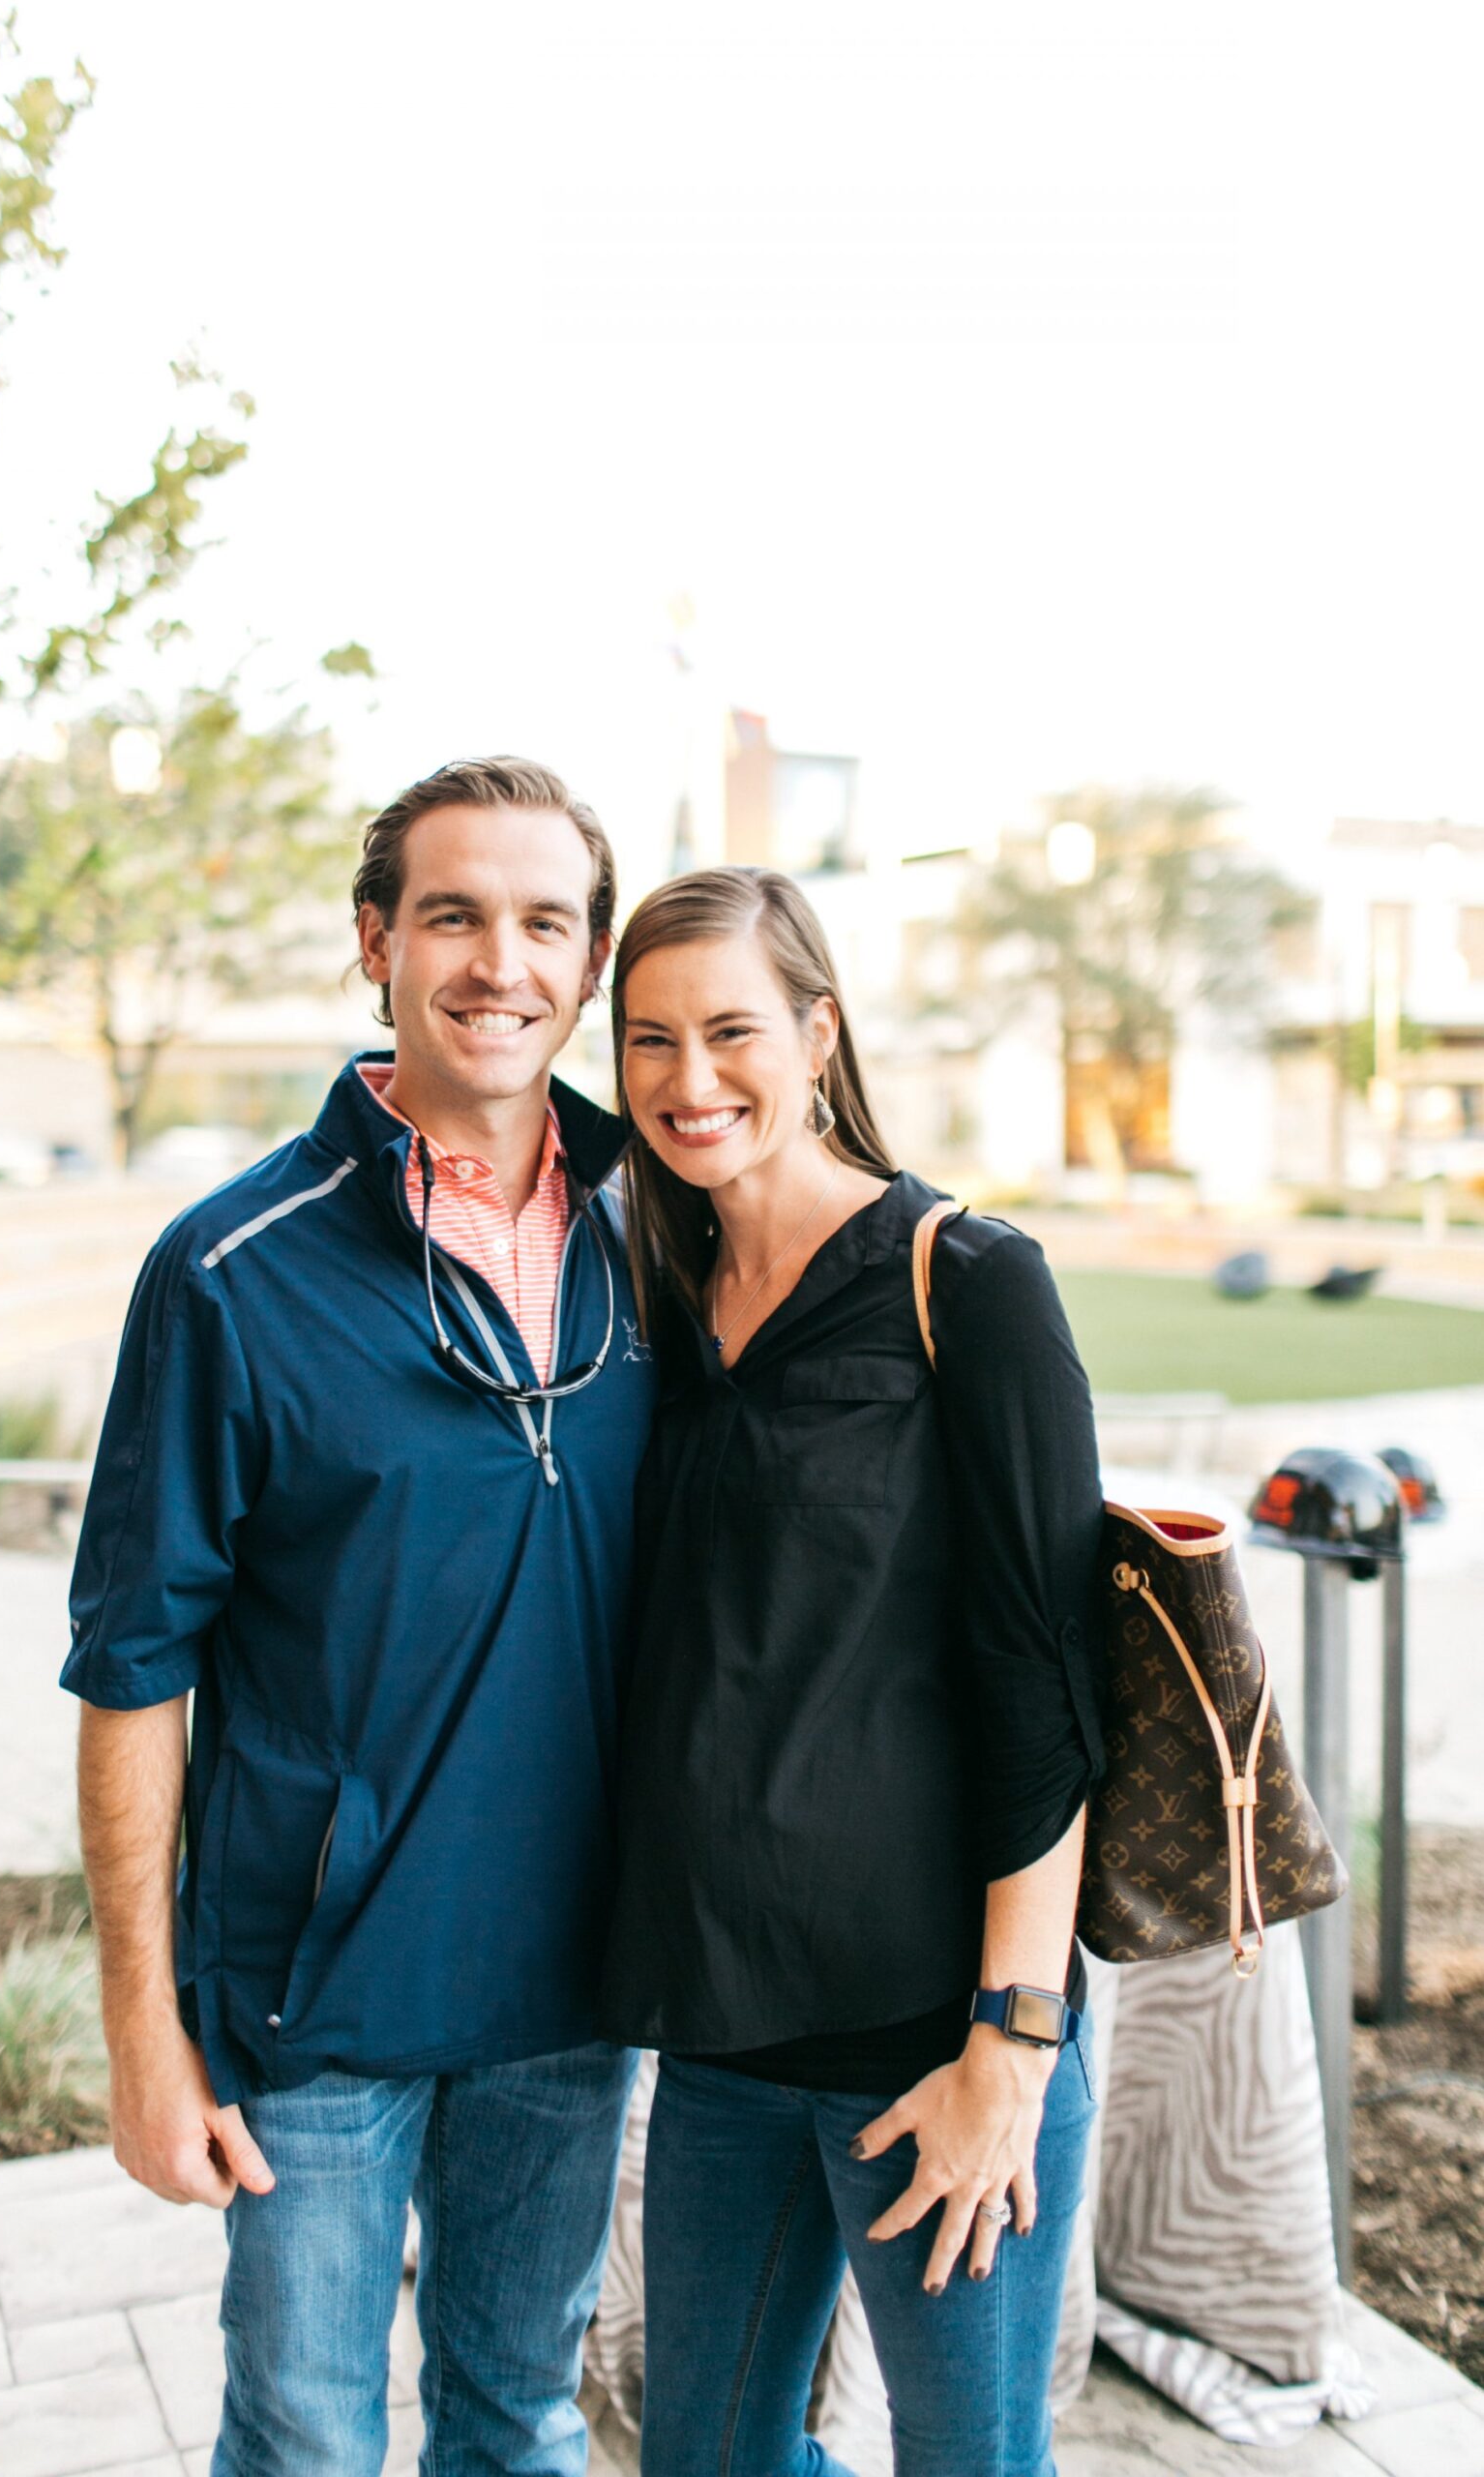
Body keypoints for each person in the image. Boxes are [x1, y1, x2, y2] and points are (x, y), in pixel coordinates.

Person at [62, 758, 659, 2477]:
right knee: (308, 2441)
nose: (500, 962)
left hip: (574, 1984)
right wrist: (141, 2033)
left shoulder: (661, 1243)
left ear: (591, 958)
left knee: (520, 2421)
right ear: (374, 943)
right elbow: (129, 1669)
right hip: (312, 2011)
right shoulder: (232, 1269)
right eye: (454, 914)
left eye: (545, 921)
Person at [599, 866, 1108, 2477]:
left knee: (968, 2464)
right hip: (727, 2043)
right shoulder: (647, 1304)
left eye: (733, 1030)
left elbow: (1051, 1688)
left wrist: (1010, 2046)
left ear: (818, 1032)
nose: (691, 1082)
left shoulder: (965, 1282)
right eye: (650, 1041)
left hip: (933, 2038)